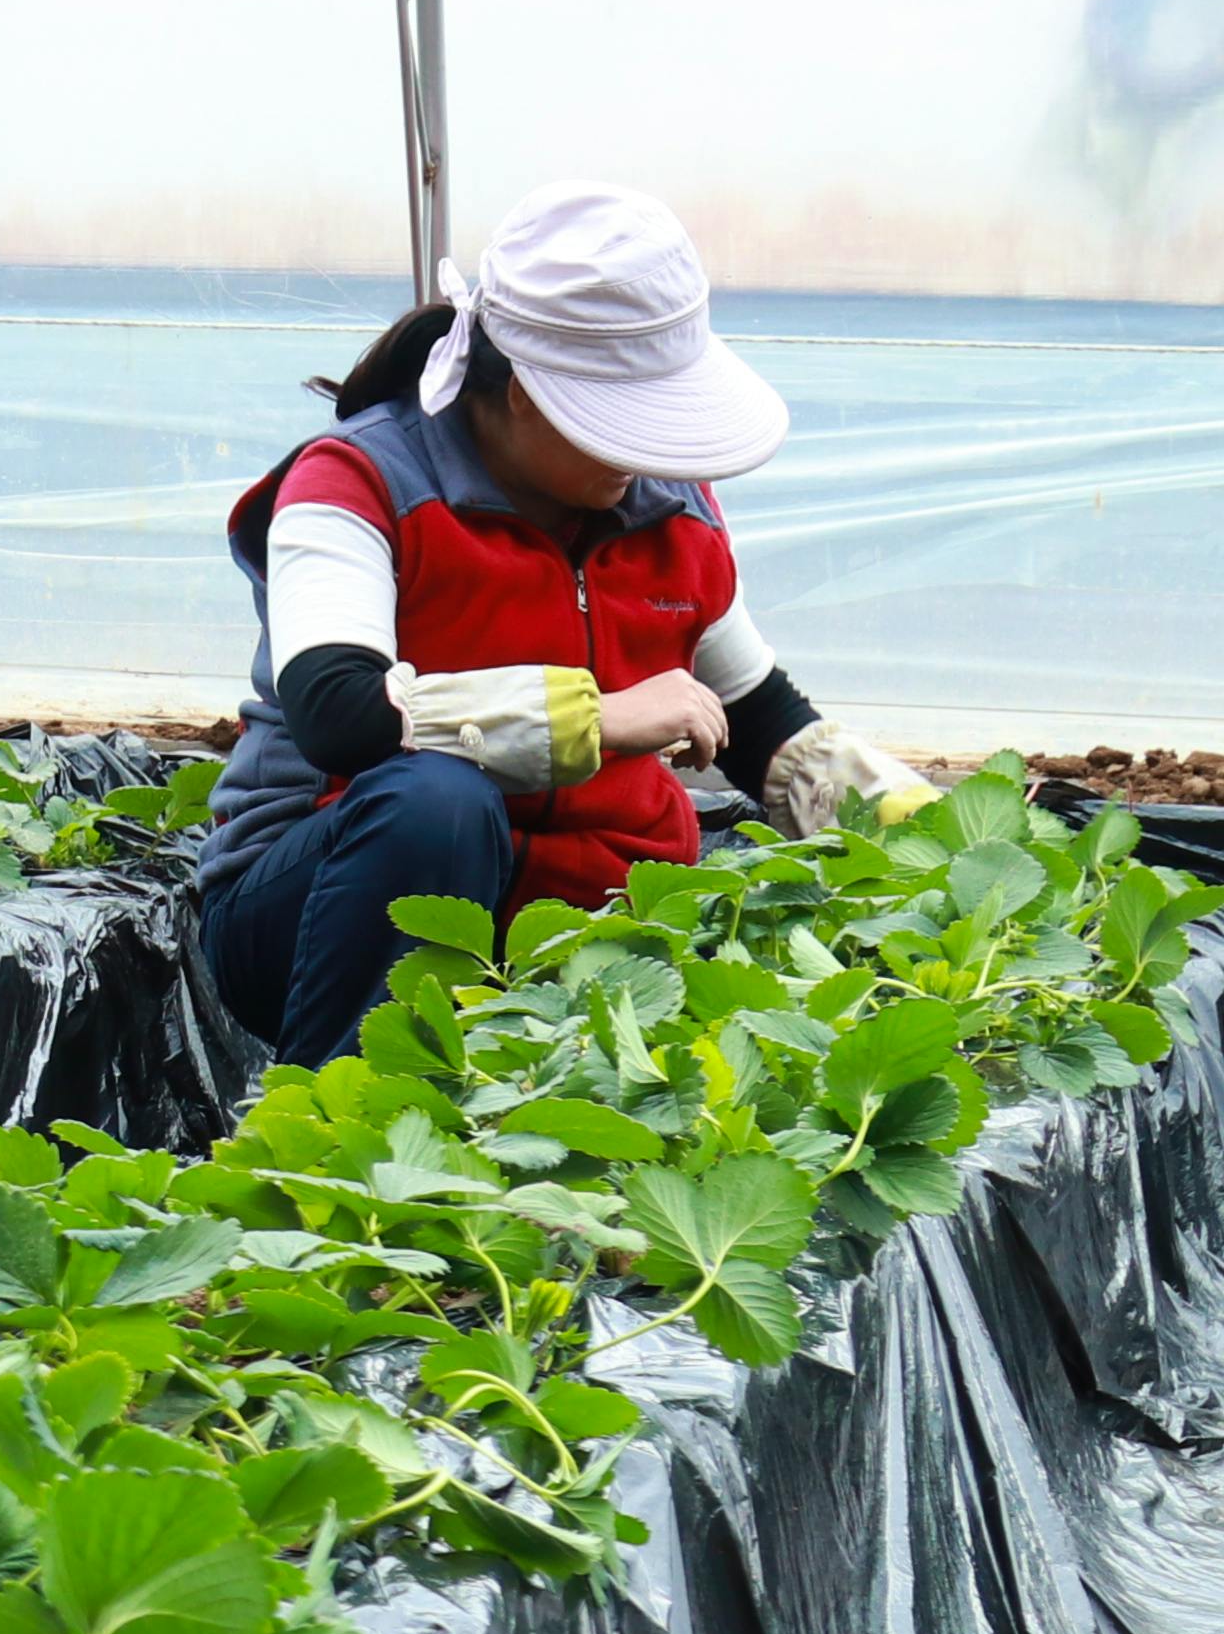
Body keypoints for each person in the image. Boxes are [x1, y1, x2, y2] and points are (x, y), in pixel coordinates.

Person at [197, 180, 929, 1065]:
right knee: (437, 803)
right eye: (616, 424)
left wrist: (937, 835)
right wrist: (598, 718)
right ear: (520, 394)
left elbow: (764, 723)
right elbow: (338, 712)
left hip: (572, 934)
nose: (642, 454)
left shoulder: (670, 508)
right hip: (321, 905)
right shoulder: (360, 483)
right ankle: (337, 1124)